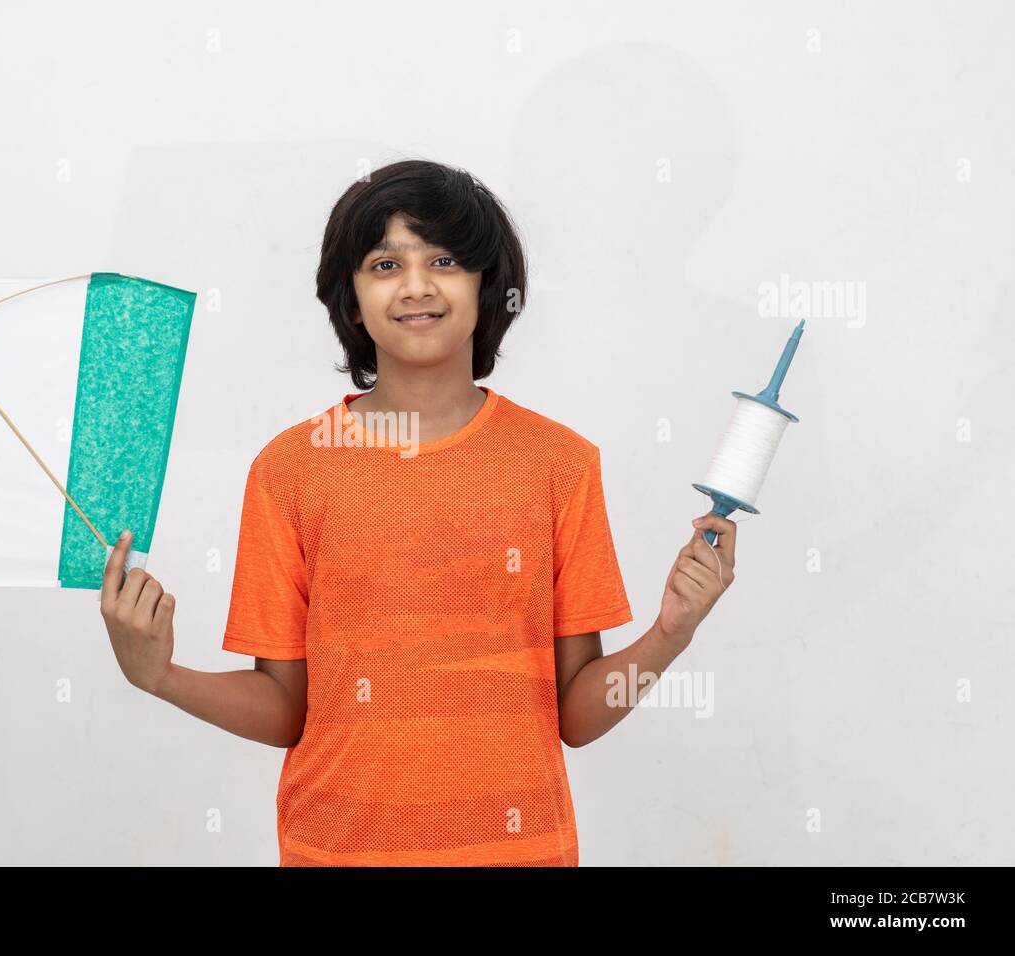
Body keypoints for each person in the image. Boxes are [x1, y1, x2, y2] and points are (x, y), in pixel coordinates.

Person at [99, 159, 736, 866]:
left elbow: (578, 714)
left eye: (444, 259)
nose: (416, 286)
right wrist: (157, 675)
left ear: (487, 285)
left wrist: (671, 632)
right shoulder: (290, 470)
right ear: (350, 297)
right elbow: (285, 709)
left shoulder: (560, 464)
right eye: (384, 263)